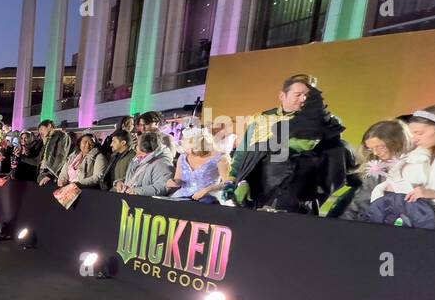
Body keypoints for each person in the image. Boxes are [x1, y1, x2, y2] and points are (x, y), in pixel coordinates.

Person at [230, 74, 316, 211]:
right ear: (282, 96)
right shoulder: (261, 118)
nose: (304, 99)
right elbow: (243, 154)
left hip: (292, 195)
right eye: (298, 94)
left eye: (309, 95)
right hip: (255, 191)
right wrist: (237, 181)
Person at [324, 119, 412, 221]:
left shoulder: (416, 167)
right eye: (371, 149)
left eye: (380, 147)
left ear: (398, 142)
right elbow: (358, 205)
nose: (375, 153)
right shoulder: (373, 173)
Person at [166, 129, 229, 203]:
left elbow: (227, 183)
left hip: (209, 198)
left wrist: (207, 190)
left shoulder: (220, 158)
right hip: (183, 196)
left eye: (193, 147)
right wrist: (173, 182)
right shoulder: (183, 157)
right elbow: (178, 179)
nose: (189, 150)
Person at [116, 132, 173, 196]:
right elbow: (133, 178)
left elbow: (163, 187)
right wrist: (120, 182)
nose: (135, 147)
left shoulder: (162, 164)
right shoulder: (137, 159)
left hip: (145, 203)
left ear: (145, 147)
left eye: (137, 144)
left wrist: (137, 191)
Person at [36, 121, 70, 185]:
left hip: (51, 175)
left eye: (41, 129)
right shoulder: (48, 139)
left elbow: (61, 157)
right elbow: (38, 160)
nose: (40, 132)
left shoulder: (61, 135)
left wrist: (50, 175)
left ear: (49, 126)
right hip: (43, 173)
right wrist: (22, 157)